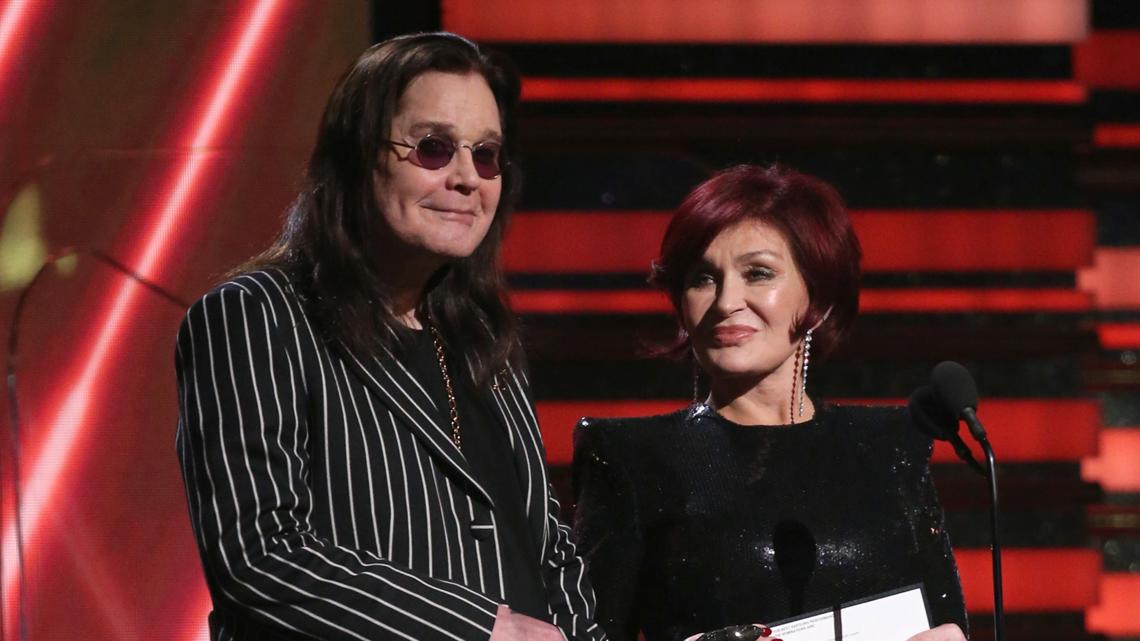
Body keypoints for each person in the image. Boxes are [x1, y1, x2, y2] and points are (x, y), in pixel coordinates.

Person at [175, 32, 602, 641]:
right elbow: (260, 556)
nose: (467, 178)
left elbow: (549, 550)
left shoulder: (483, 337)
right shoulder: (256, 316)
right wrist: (477, 629)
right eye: (433, 148)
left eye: (486, 155)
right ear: (357, 157)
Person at [572, 165, 969, 641]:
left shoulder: (891, 447)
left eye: (758, 273)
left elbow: (949, 625)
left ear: (817, 295)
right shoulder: (631, 459)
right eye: (703, 278)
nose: (726, 302)